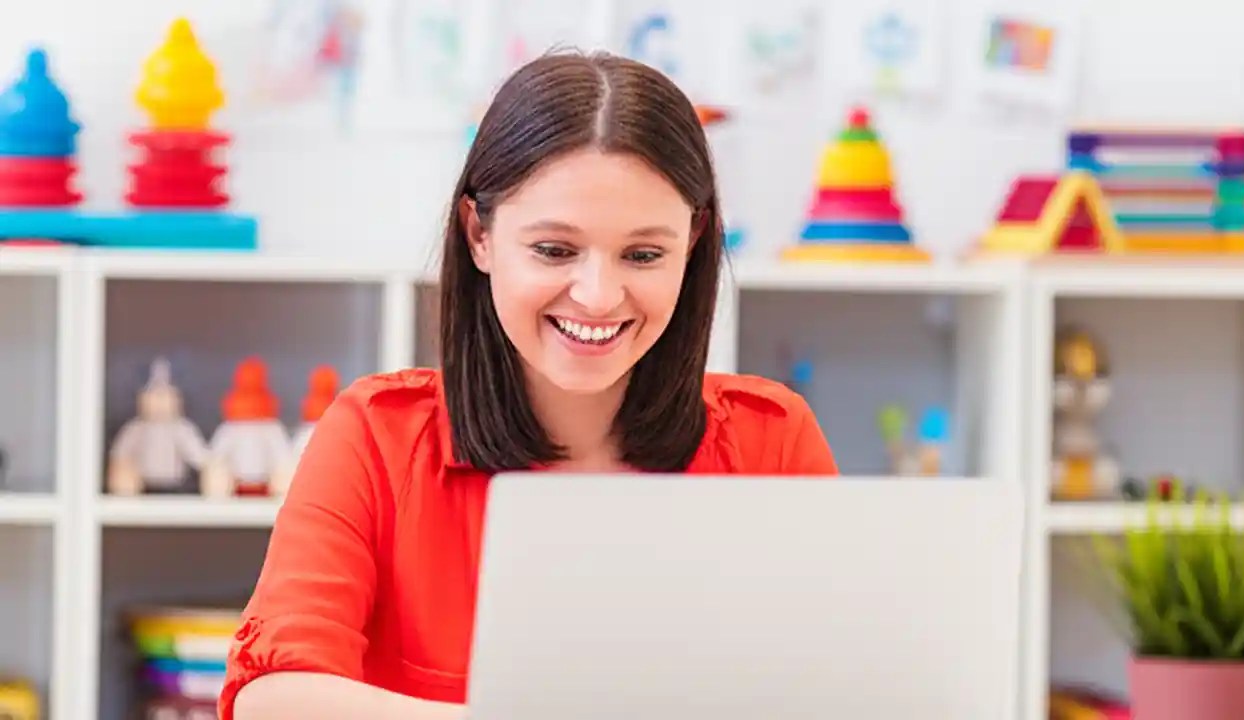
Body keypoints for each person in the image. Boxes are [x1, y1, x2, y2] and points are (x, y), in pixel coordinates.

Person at [219, 50, 838, 720]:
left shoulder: (770, 442)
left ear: (692, 245)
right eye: (554, 250)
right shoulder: (378, 436)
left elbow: (852, 681)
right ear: (479, 235)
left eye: (644, 254)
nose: (599, 296)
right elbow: (272, 698)